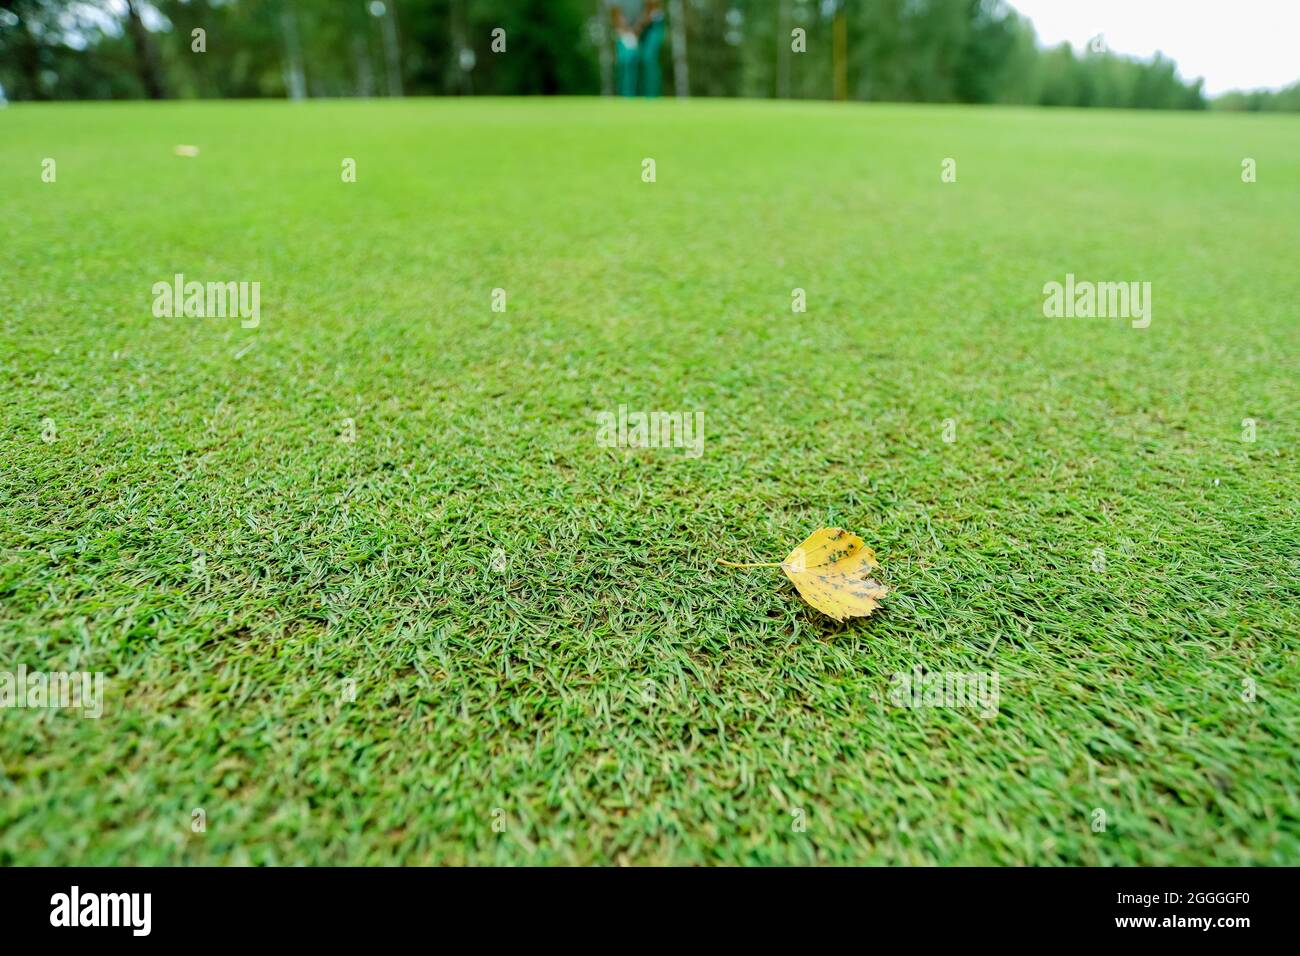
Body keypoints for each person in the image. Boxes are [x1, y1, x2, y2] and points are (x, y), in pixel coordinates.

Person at [636, 0, 666, 98]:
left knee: (649, 60)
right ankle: (648, 94)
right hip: (649, 28)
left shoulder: (655, 13)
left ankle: (652, 95)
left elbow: (651, 5)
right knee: (646, 61)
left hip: (655, 24)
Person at [611, 5, 640, 98]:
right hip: (622, 35)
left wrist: (635, 29)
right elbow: (615, 12)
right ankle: (623, 94)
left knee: (632, 67)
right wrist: (623, 30)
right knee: (623, 65)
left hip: (635, 34)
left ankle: (631, 94)